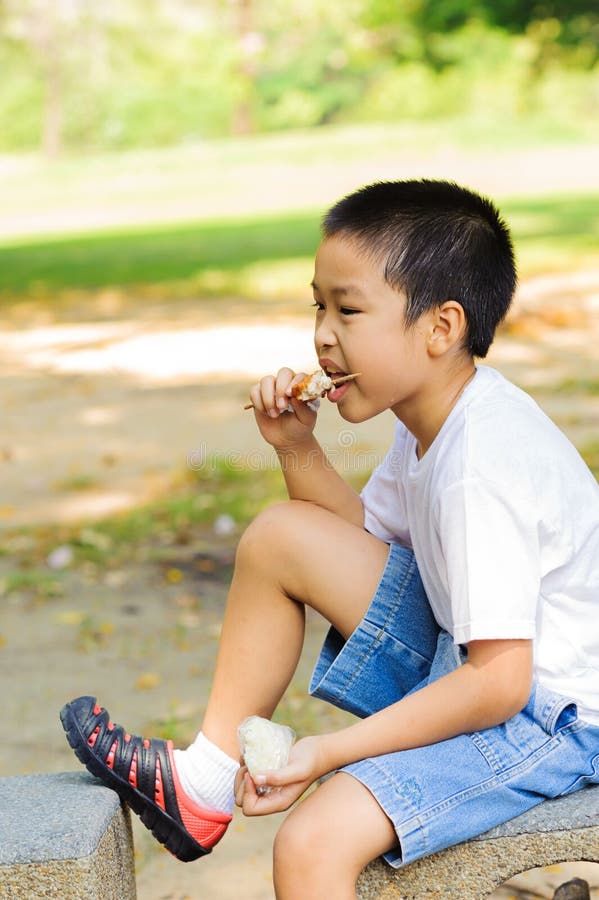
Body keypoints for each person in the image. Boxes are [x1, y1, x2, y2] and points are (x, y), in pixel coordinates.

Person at [61, 179, 599, 899]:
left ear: (440, 328)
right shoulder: (432, 425)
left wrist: (325, 753)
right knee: (283, 535)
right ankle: (204, 782)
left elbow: (499, 683)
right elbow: (351, 546)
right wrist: (295, 449)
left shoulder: (481, 461)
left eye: (347, 309)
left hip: (552, 720)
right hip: (475, 664)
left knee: (313, 843)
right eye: (317, 305)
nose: (321, 333)